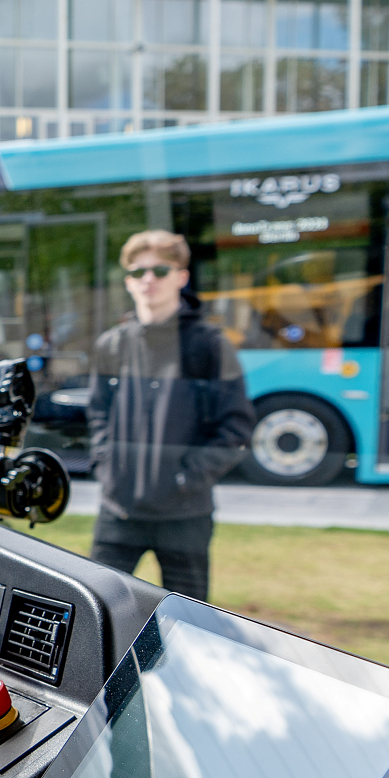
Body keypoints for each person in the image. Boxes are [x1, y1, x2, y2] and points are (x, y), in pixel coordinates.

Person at [87, 230, 255, 601]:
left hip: (185, 515)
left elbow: (237, 427)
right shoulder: (111, 345)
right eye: (138, 271)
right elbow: (98, 414)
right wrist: (107, 465)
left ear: (181, 277)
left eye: (160, 270)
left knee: (188, 621)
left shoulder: (210, 345)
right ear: (128, 281)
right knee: (97, 612)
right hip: (119, 510)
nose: (148, 279)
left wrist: (187, 477)